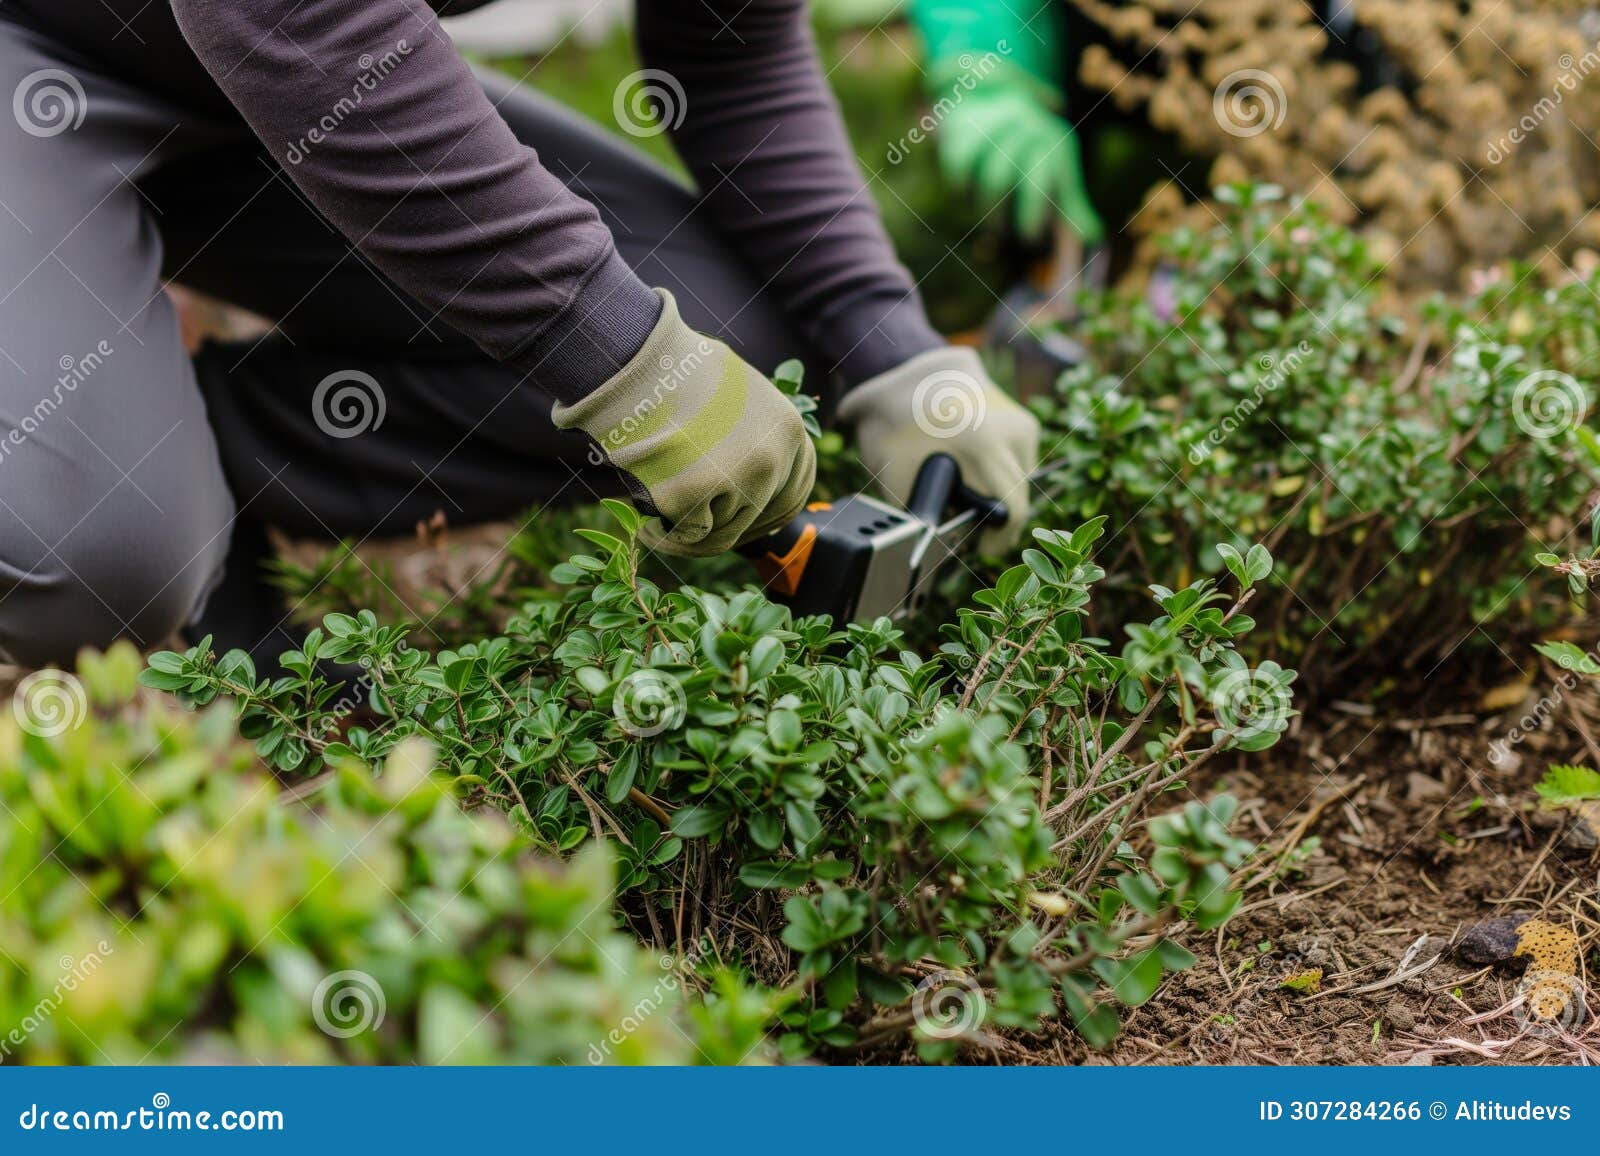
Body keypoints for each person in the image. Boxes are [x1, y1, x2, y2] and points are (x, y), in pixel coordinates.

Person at [0, 0, 1039, 668]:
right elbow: (293, 21)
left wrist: (892, 347)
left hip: (286, 87)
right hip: (45, 53)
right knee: (86, 562)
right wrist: (620, 358)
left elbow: (733, 53)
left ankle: (212, 439)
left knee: (738, 341)